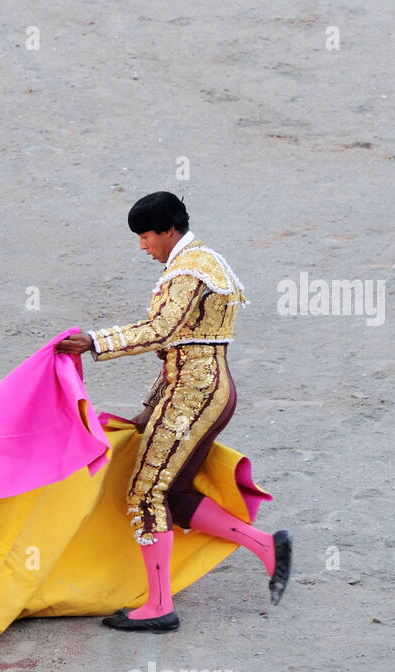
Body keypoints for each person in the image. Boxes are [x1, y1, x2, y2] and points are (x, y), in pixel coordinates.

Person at [55, 192, 290, 632]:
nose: (144, 247)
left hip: (192, 395)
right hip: (196, 388)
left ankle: (159, 606)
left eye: (146, 237)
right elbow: (180, 348)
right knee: (173, 494)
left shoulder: (190, 269)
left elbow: (162, 331)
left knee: (146, 493)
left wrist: (95, 340)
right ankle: (266, 547)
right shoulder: (199, 262)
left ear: (168, 231)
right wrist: (148, 408)